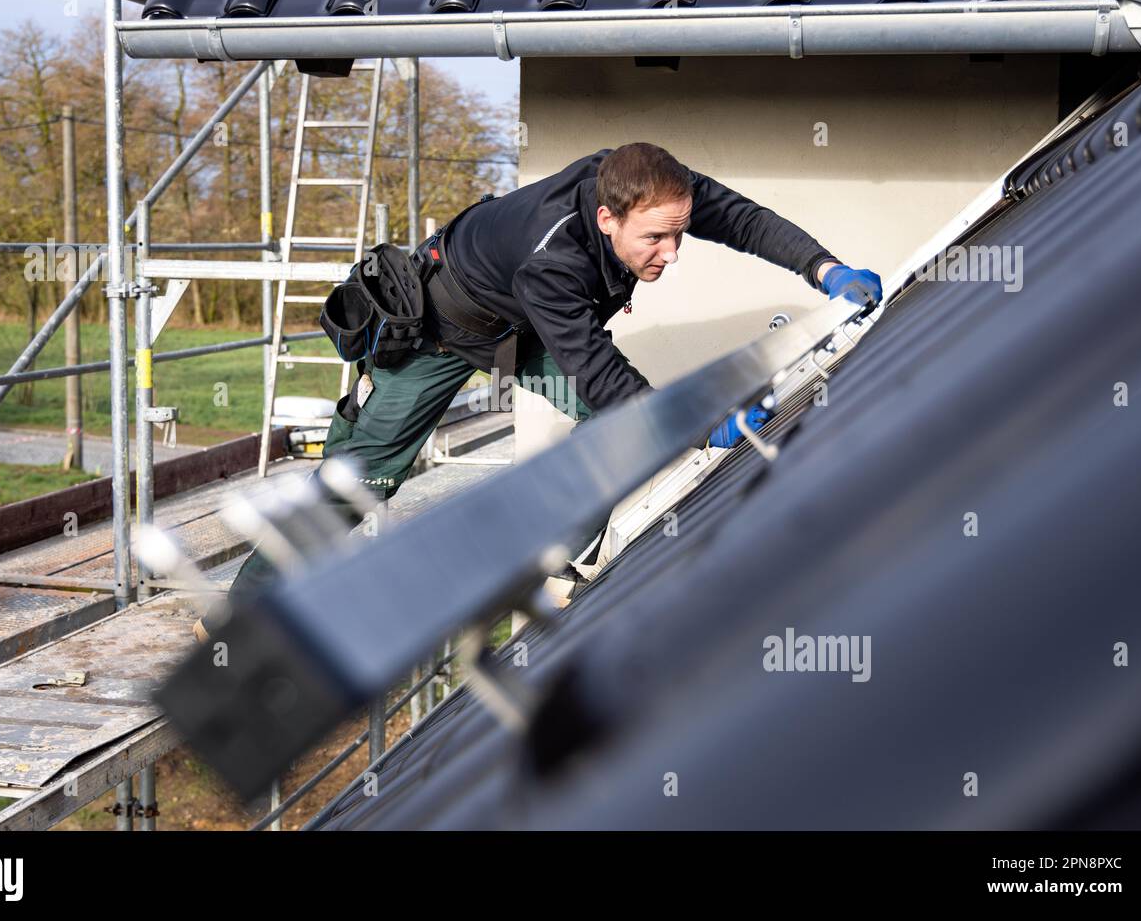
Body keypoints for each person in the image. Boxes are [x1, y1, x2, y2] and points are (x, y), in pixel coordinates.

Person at [226, 142, 880, 605]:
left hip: (513, 318)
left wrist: (825, 269)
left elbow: (744, 221)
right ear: (606, 217)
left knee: (608, 427)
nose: (672, 253)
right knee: (367, 474)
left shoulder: (651, 187)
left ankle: (556, 563)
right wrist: (706, 422)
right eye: (655, 240)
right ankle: (242, 608)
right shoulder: (554, 260)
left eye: (678, 234)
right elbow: (600, 374)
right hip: (442, 329)